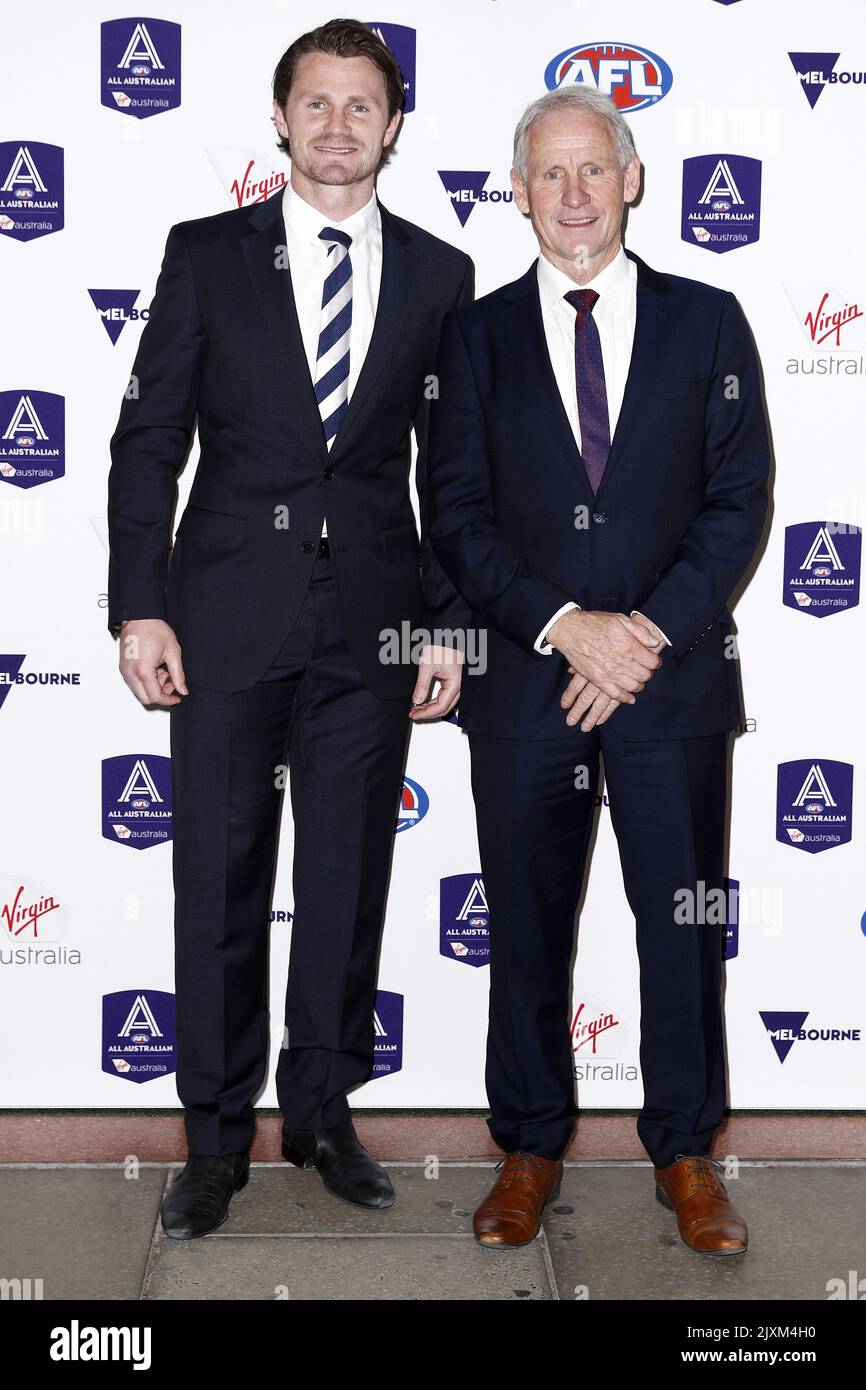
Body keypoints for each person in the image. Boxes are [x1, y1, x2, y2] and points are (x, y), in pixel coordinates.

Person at [107, 18, 472, 1239]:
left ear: (392, 124)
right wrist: (138, 603)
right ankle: (214, 1138)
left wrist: (447, 628)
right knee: (216, 877)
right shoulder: (207, 255)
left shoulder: (438, 273)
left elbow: (454, 475)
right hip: (219, 619)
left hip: (371, 625)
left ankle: (320, 1112)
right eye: (313, 103)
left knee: (345, 880)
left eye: (359, 105)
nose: (335, 126)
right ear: (279, 119)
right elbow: (148, 441)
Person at [427, 85, 770, 1254]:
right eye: (548, 176)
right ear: (516, 194)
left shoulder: (706, 321)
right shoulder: (470, 338)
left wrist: (639, 637)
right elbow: (456, 516)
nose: (572, 196)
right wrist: (565, 624)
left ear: (630, 178)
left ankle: (684, 1152)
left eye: (593, 170)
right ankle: (527, 1145)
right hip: (527, 683)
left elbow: (735, 504)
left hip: (669, 684)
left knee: (676, 924)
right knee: (525, 923)